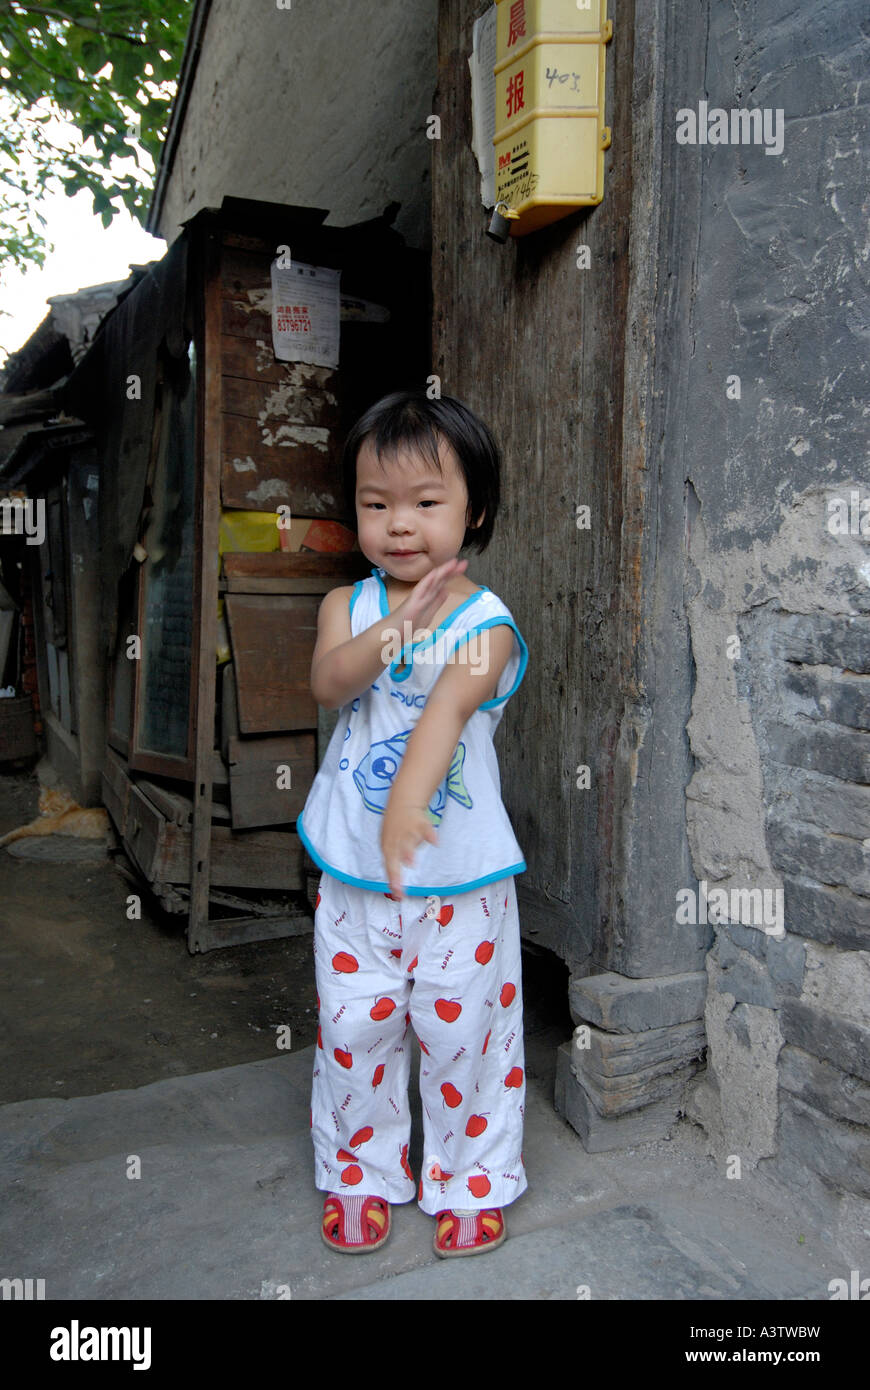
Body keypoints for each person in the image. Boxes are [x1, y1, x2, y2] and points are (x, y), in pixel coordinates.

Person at [296, 389, 530, 1258]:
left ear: (476, 512)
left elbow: (447, 710)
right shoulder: (345, 609)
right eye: (376, 503)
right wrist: (396, 625)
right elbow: (330, 684)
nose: (400, 525)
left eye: (426, 503)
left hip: (457, 875)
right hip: (357, 869)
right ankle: (361, 1172)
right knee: (356, 1027)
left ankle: (471, 1179)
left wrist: (407, 805)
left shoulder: (488, 623)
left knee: (461, 1028)